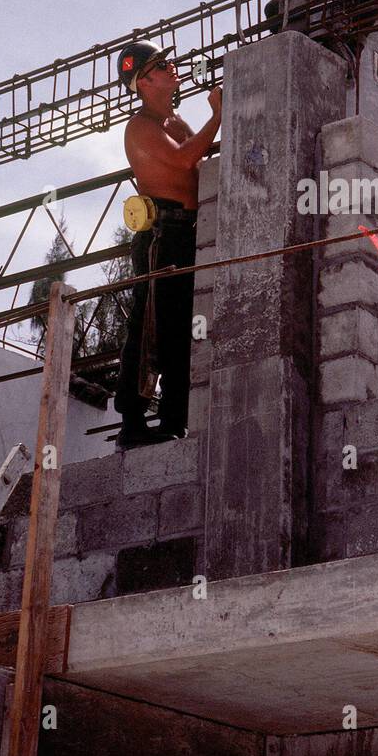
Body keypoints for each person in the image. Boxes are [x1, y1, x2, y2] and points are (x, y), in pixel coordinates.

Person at [113, 42, 222, 450]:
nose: (172, 68)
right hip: (161, 236)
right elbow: (182, 161)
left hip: (187, 231)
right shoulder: (140, 127)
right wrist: (218, 115)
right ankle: (133, 421)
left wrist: (215, 119)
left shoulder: (173, 120)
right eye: (161, 65)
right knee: (149, 325)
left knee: (181, 329)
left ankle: (174, 418)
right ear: (143, 81)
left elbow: (198, 153)